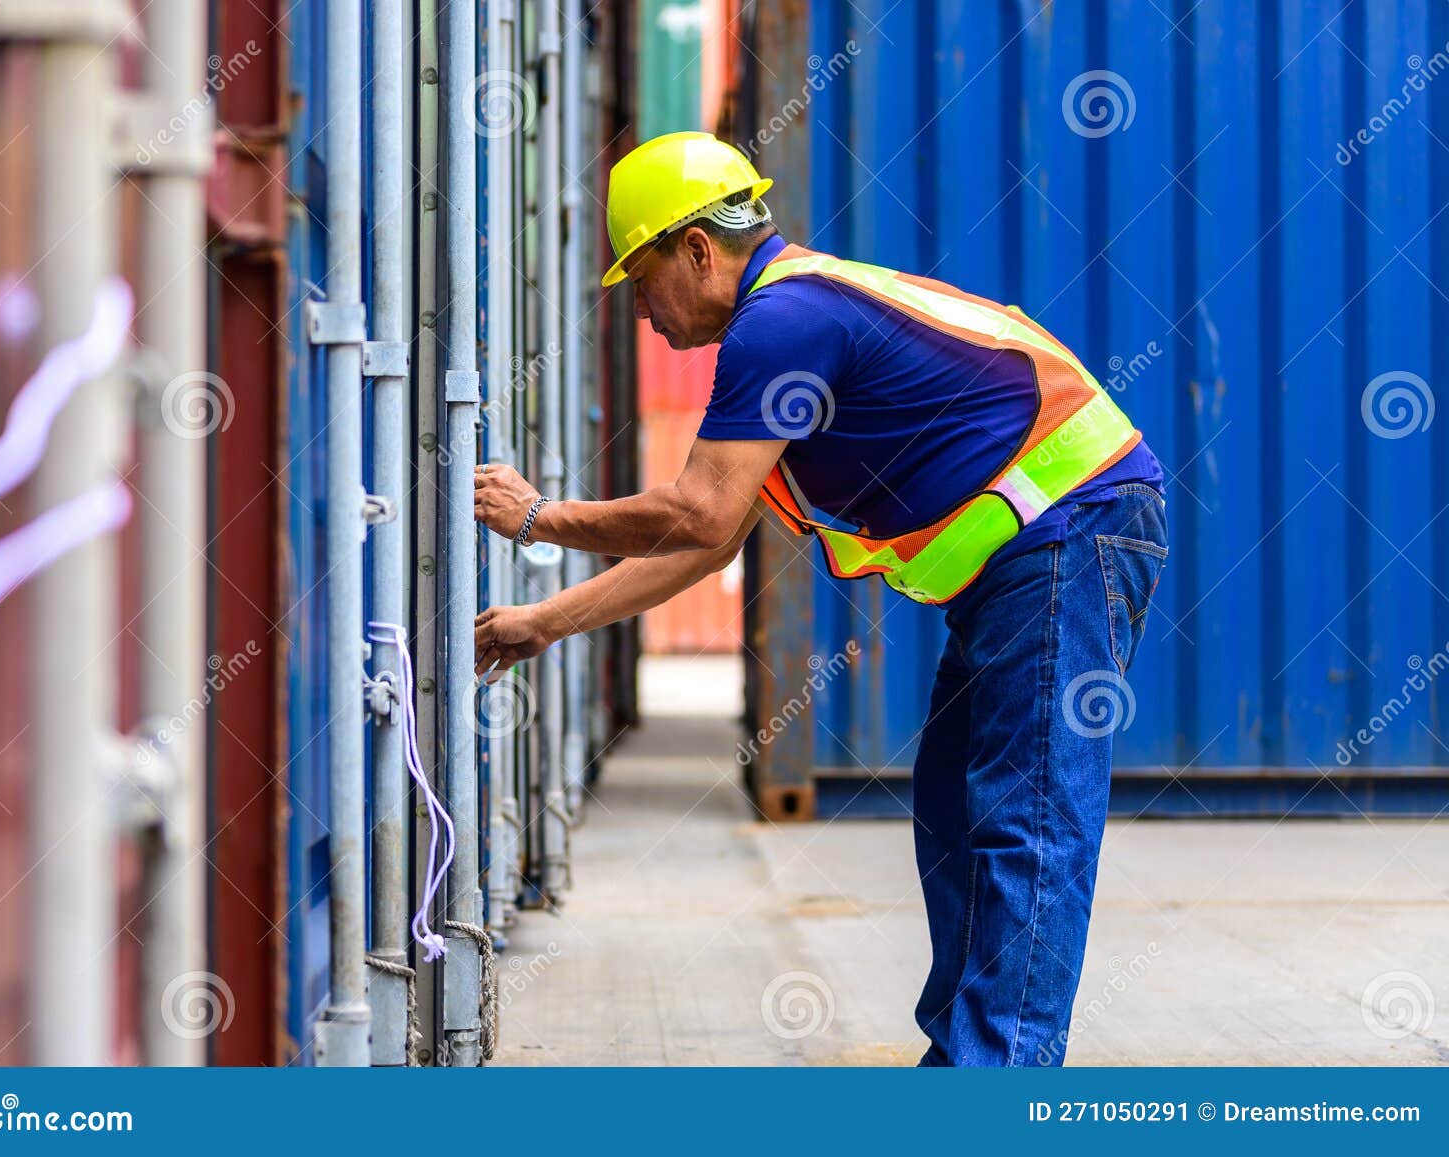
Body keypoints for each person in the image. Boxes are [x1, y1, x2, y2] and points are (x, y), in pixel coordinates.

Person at [473, 131, 1169, 1066]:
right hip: (1030, 558)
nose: (643, 312)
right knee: (956, 814)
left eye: (643, 281)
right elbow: (707, 538)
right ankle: (968, 1058)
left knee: (1025, 823)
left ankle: (998, 1076)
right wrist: (540, 625)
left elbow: (696, 508)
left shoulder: (782, 321)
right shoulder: (787, 329)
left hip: (1068, 535)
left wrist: (539, 517)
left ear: (695, 249)